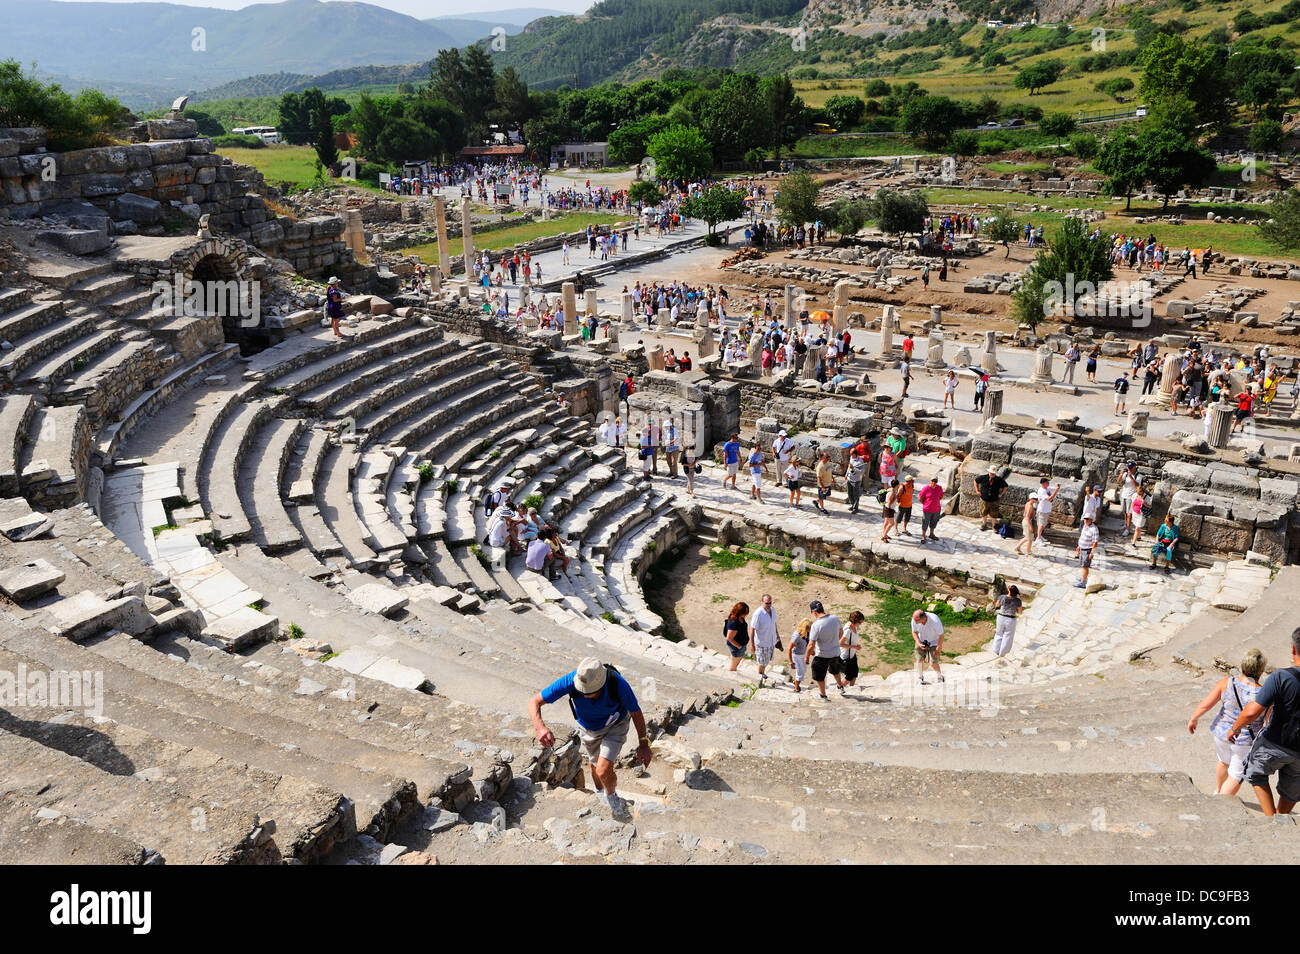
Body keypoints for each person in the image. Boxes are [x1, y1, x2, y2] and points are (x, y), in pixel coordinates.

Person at [529, 658, 652, 816]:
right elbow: (534, 701)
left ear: (601, 684)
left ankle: (611, 795)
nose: (585, 695)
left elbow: (635, 711)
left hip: (615, 725)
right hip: (589, 729)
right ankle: (599, 792)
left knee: (602, 770)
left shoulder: (617, 683)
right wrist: (540, 728)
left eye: (590, 692)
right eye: (582, 690)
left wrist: (643, 744)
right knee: (595, 765)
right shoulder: (572, 680)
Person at [1228, 628, 1300, 816]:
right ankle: (1281, 818)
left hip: (1274, 742)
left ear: (1293, 649)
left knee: (1255, 773)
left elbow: (1252, 711)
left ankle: (1271, 819)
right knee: (1292, 790)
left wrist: (1235, 728)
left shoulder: (1281, 677)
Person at [1188, 648, 1268, 797]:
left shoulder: (1226, 683)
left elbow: (1206, 704)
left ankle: (1218, 790)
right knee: (1236, 776)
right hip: (1244, 740)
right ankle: (1221, 802)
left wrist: (1194, 719)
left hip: (1221, 733)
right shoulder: (1264, 694)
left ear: (1243, 665)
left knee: (1223, 762)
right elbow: (1268, 722)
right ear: (1261, 670)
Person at [805, 600, 844, 700]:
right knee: (835, 670)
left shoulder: (816, 625)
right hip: (835, 652)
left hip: (822, 655)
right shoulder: (835, 618)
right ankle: (840, 686)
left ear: (814, 612)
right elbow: (841, 632)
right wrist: (835, 641)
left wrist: (807, 657)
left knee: (819, 675)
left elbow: (811, 644)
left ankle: (823, 695)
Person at [751, 594, 779, 687]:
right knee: (761, 662)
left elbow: (774, 623)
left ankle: (762, 674)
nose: (769, 605)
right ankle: (759, 678)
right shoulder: (758, 614)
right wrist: (752, 644)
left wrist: (777, 635)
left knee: (766, 660)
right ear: (762, 602)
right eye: (767, 603)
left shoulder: (772, 609)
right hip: (762, 642)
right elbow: (752, 629)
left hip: (771, 641)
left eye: (770, 602)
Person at [911, 608, 944, 685]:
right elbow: (914, 632)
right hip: (921, 639)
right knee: (919, 660)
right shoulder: (914, 620)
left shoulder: (935, 620)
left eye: (916, 620)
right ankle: (920, 677)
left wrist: (938, 648)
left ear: (923, 618)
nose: (914, 622)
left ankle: (940, 677)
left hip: (934, 641)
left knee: (933, 663)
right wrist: (918, 643)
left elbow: (941, 635)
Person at [990, 583, 1023, 656]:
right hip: (1011, 619)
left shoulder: (1002, 597)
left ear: (1009, 590)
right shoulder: (1018, 601)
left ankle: (995, 650)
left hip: (1001, 617)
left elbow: (997, 605)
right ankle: (1003, 653)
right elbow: (1020, 612)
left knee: (999, 633)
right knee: (1008, 636)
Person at [974, 465, 1008, 531]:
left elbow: (1006, 486)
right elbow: (975, 481)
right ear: (988, 472)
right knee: (983, 512)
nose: (992, 474)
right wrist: (977, 490)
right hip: (984, 499)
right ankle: (984, 524)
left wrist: (1001, 494)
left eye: (993, 473)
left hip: (994, 500)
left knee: (994, 514)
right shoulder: (983, 477)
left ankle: (994, 526)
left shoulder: (998, 480)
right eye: (991, 473)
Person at [838, 611, 864, 691]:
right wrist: (854, 647)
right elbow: (840, 643)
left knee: (855, 674)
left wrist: (856, 646)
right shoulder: (848, 630)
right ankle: (839, 688)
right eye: (860, 622)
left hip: (852, 655)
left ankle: (852, 690)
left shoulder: (854, 626)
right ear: (855, 621)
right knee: (849, 677)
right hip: (846, 656)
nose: (860, 624)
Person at [723, 601, 751, 672]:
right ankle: (732, 674)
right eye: (745, 613)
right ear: (739, 612)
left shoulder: (740, 618)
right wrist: (739, 646)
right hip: (736, 647)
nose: (746, 615)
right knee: (733, 666)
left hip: (741, 645)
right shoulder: (734, 623)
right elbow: (729, 638)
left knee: (737, 660)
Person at [1074, 514, 1099, 589]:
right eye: (1085, 519)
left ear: (1091, 520)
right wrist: (1079, 546)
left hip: (1087, 550)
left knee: (1085, 566)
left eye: (1088, 519)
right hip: (1082, 548)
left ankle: (1083, 582)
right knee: (1082, 565)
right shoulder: (1085, 526)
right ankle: (1083, 578)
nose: (1086, 520)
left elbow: (1095, 542)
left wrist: (1092, 553)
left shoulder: (1094, 529)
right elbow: (1082, 536)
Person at [1033, 478, 1061, 544]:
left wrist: (1057, 487)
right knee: (1041, 524)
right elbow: (1049, 499)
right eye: (1047, 482)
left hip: (1047, 510)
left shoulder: (1047, 488)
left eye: (1048, 482)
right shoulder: (1041, 491)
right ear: (1043, 484)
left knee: (1044, 524)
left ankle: (1040, 536)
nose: (1048, 483)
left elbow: (1054, 488)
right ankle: (1038, 538)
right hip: (1042, 510)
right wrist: (1056, 491)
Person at [1118, 461, 1142, 533]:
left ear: (1134, 468)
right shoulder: (1125, 474)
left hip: (1131, 497)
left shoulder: (1138, 476)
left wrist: (1131, 477)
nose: (1130, 469)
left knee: (1129, 514)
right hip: (1124, 495)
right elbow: (1118, 481)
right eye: (1129, 468)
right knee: (1125, 512)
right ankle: (1126, 525)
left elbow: (1137, 486)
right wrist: (1121, 473)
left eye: (1131, 468)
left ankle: (1128, 529)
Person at [788, 618, 811, 693]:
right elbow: (789, 648)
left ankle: (796, 682)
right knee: (800, 671)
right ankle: (796, 688)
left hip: (803, 654)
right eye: (809, 628)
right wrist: (791, 662)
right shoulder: (797, 636)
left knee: (803, 671)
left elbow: (808, 643)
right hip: (796, 656)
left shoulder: (807, 634)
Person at [918, 475, 943, 543]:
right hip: (927, 510)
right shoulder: (926, 488)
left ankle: (931, 534)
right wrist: (926, 504)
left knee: (934, 522)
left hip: (936, 509)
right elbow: (920, 498)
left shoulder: (939, 488)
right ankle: (923, 536)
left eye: (935, 481)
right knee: (925, 522)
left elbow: (940, 497)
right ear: (930, 481)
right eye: (933, 481)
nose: (934, 482)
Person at [845, 448, 866, 514]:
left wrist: (853, 468)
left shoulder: (860, 462)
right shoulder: (851, 458)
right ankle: (852, 505)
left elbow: (861, 472)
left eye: (851, 454)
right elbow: (849, 467)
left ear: (855, 454)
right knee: (849, 494)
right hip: (849, 478)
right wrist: (846, 474)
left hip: (856, 480)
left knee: (856, 495)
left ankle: (855, 508)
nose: (850, 455)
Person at [880, 478, 900, 543]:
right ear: (897, 485)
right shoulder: (892, 493)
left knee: (886, 522)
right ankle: (884, 536)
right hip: (889, 509)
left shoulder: (891, 490)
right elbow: (889, 503)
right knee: (891, 523)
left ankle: (884, 534)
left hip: (887, 508)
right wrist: (895, 497)